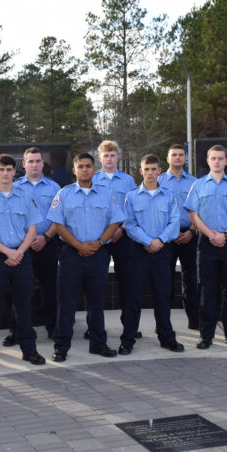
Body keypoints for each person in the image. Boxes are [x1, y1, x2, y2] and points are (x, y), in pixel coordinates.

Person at [0, 154, 46, 370]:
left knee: (23, 305)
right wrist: (7, 252)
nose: (5, 173)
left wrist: (19, 252)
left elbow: (32, 229)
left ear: (15, 172)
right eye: (1, 170)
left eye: (9, 170)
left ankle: (29, 349)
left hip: (21, 256)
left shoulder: (25, 196)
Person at [48, 152, 126, 361]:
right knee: (66, 303)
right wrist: (77, 245)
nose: (84, 169)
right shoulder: (64, 194)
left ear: (94, 169)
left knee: (96, 302)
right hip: (71, 255)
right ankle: (62, 346)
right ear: (74, 170)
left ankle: (98, 343)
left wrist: (99, 243)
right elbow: (57, 224)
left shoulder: (105, 194)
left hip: (97, 254)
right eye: (80, 166)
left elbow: (115, 221)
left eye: (88, 166)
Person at [184, 144, 227, 350]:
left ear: (226, 161)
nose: (217, 161)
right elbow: (193, 214)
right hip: (207, 243)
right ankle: (206, 336)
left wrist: (226, 234)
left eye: (221, 158)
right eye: (214, 158)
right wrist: (210, 233)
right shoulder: (199, 185)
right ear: (208, 160)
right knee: (207, 290)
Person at [120, 154, 183, 355]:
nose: (150, 173)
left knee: (162, 296)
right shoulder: (131, 197)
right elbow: (129, 224)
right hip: (138, 252)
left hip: (162, 251)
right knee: (133, 297)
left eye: (153, 169)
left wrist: (160, 241)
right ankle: (128, 340)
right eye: (146, 169)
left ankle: (167, 338)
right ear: (141, 171)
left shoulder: (169, 197)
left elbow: (174, 224)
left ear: (159, 171)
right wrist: (148, 241)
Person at [3, 147, 61, 345]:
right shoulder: (15, 187)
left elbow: (59, 219)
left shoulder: (54, 188)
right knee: (20, 290)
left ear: (43, 164)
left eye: (38, 161)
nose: (35, 165)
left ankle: (53, 328)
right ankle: (16, 331)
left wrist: (45, 236)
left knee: (50, 288)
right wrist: (28, 240)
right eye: (31, 161)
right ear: (24, 164)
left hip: (48, 244)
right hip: (22, 247)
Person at [92, 140, 137, 336]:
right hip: (100, 237)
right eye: (105, 155)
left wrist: (121, 228)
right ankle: (95, 327)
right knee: (96, 284)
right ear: (100, 158)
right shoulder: (92, 179)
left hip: (122, 236)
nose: (109, 159)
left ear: (117, 157)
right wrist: (107, 233)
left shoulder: (127, 180)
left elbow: (132, 207)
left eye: (112, 155)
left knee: (127, 283)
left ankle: (129, 327)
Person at [157, 144, 199, 330]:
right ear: (168, 159)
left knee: (191, 280)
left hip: (189, 235)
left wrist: (191, 231)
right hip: (167, 238)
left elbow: (200, 210)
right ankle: (164, 323)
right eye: (174, 155)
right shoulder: (158, 181)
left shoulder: (194, 182)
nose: (178, 158)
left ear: (185, 158)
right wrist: (169, 234)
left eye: (181, 155)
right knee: (164, 281)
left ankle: (194, 320)